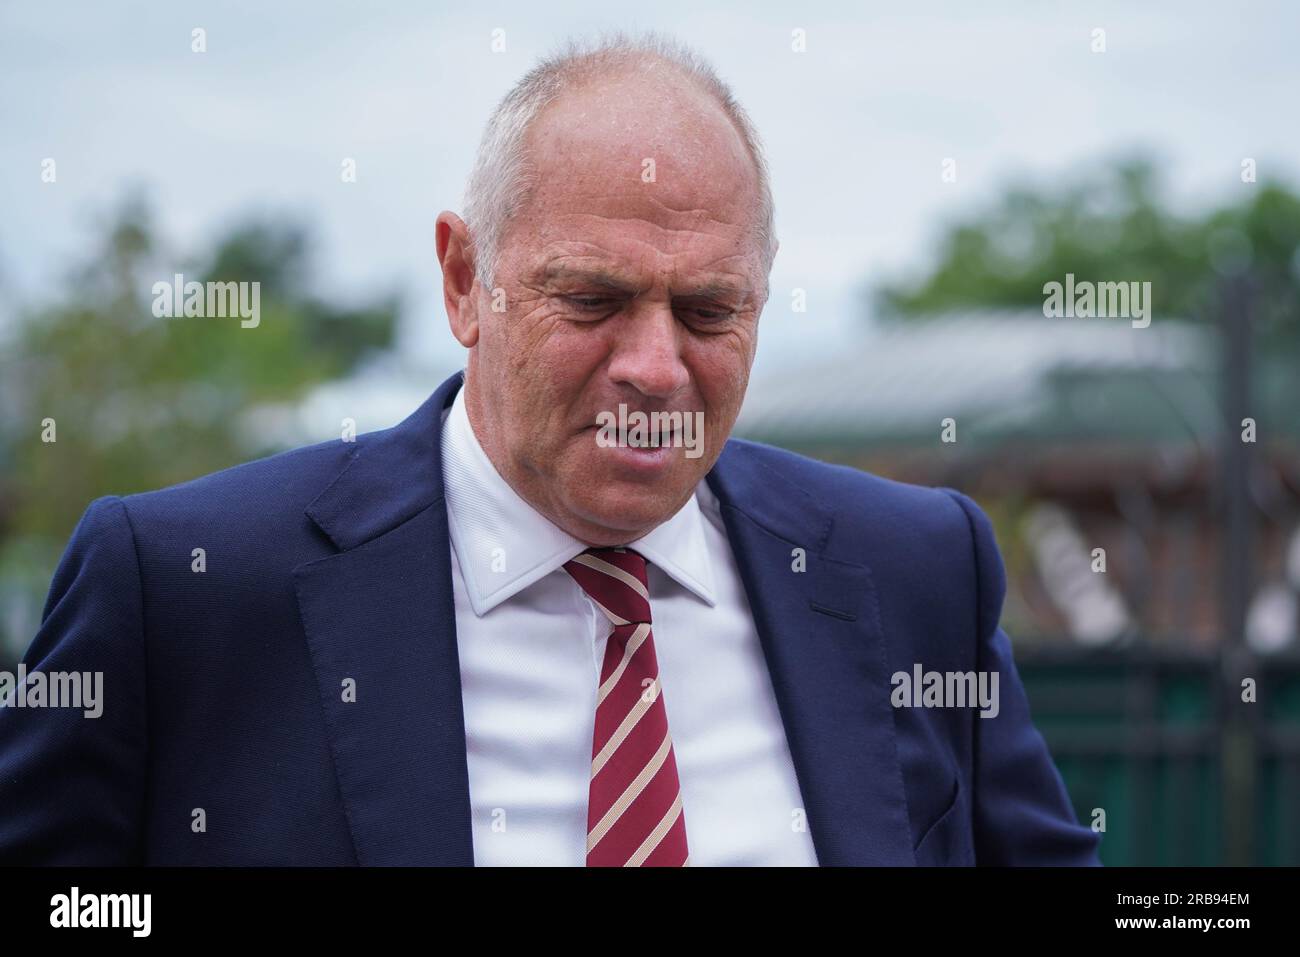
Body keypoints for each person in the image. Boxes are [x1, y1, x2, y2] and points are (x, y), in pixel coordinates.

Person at [0, 32, 1100, 866]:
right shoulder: (183, 587)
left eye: (712, 311)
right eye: (592, 298)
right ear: (464, 281)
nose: (657, 366)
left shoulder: (913, 567)